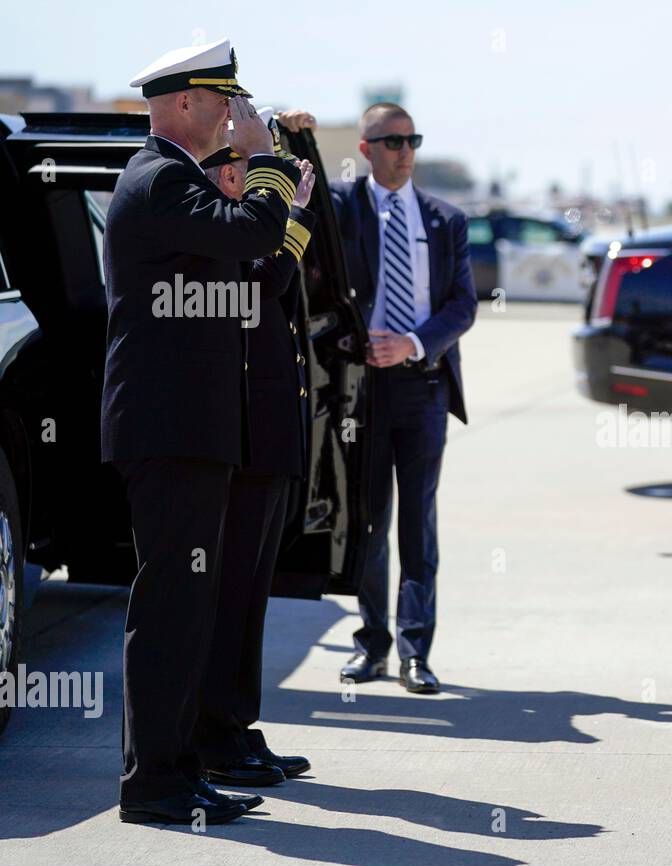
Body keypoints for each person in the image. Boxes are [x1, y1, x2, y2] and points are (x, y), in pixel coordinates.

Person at [103, 38, 300, 825]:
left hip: (189, 430)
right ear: (185, 102)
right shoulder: (160, 182)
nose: (232, 116)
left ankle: (177, 770)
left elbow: (251, 278)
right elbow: (254, 231)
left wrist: (261, 178)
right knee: (170, 613)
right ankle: (152, 783)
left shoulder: (176, 181)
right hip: (172, 431)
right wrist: (267, 163)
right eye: (224, 101)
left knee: (188, 611)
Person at [278, 102, 475, 694]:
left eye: (412, 140)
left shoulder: (446, 220)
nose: (404, 151)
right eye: (391, 141)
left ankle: (418, 651)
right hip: (360, 392)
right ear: (365, 149)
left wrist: (413, 344)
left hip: (424, 386)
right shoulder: (343, 206)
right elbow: (300, 195)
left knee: (419, 521)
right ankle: (372, 646)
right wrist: (292, 139)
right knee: (366, 521)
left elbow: (462, 305)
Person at [191, 122, 316, 788]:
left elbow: (289, 293)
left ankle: (236, 729)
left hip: (267, 434)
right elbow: (258, 290)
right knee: (231, 593)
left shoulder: (248, 223)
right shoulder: (223, 225)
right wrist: (290, 220)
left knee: (250, 598)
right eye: (245, 165)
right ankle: (217, 737)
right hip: (241, 436)